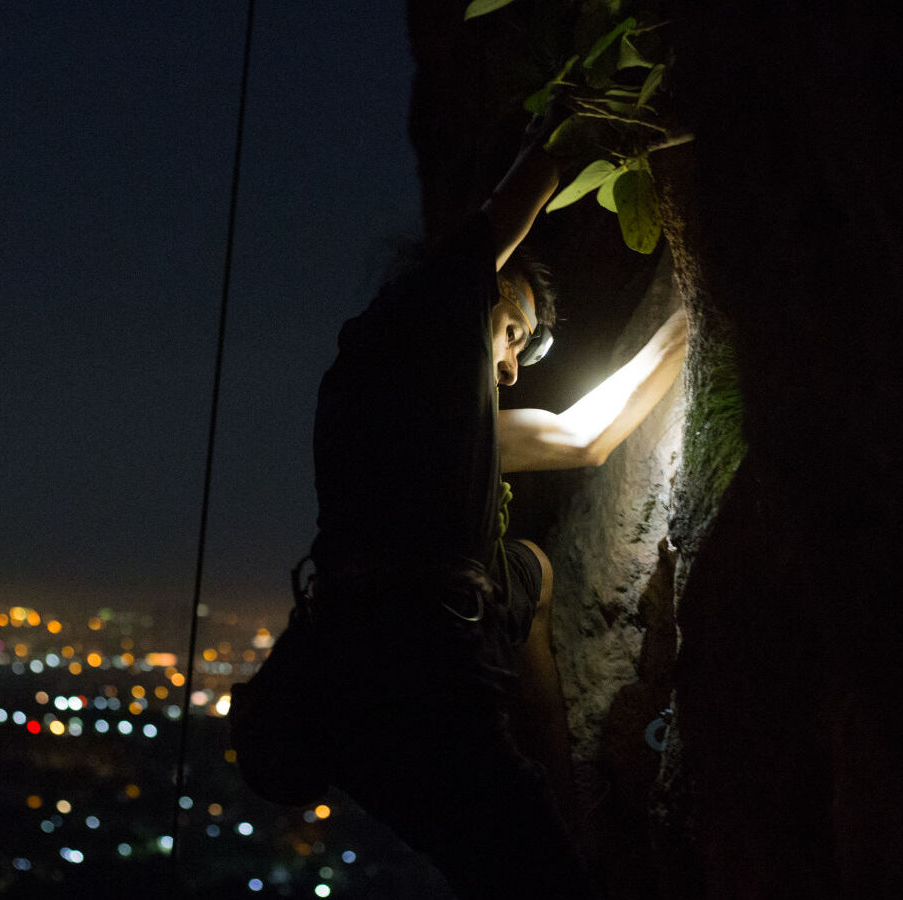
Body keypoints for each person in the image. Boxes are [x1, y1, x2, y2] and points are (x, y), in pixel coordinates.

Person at [229, 111, 689, 899]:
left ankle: (561, 801)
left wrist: (686, 319)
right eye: (516, 334)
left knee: (527, 572)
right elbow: (506, 211)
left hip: (390, 661)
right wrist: (579, 123)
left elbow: (584, 437)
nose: (513, 368)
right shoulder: (410, 326)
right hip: (408, 656)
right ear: (482, 296)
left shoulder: (445, 423)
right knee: (533, 874)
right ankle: (557, 821)